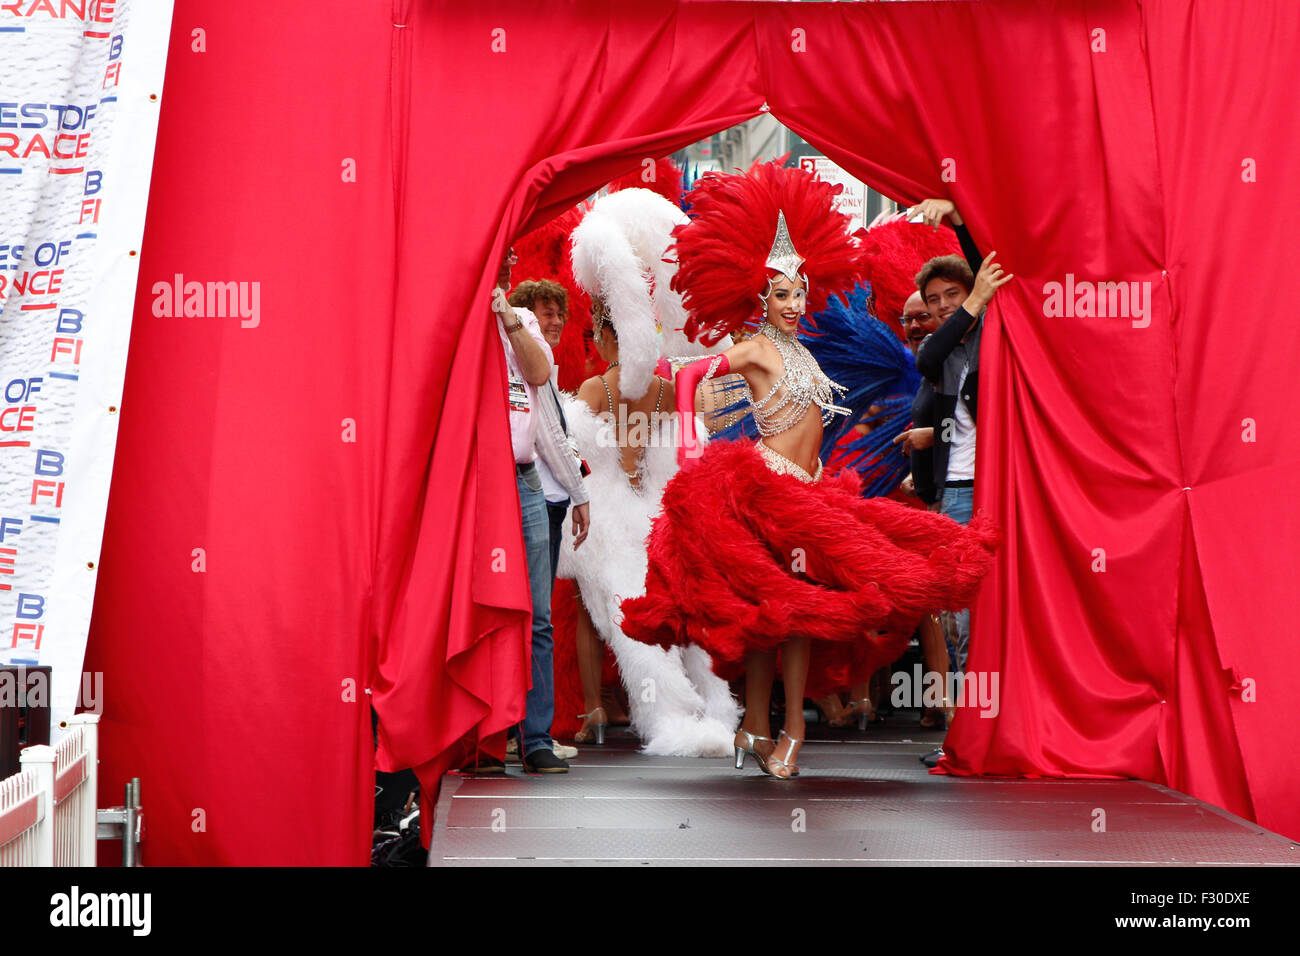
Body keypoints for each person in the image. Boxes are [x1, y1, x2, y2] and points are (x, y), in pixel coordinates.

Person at [618, 162, 998, 778]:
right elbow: (687, 374)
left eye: (800, 292)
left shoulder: (801, 349)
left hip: (810, 490)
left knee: (788, 613)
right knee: (787, 614)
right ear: (760, 297)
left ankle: (761, 726)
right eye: (782, 294)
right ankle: (783, 727)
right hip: (768, 491)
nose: (795, 304)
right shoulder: (757, 348)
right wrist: (690, 444)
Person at [557, 187, 739, 756]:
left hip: (607, 511)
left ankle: (594, 708)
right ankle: (705, 703)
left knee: (597, 611)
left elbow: (572, 456)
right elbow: (693, 443)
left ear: (608, 334)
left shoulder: (592, 388)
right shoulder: (665, 390)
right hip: (655, 508)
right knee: (668, 608)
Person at [492, 249, 591, 774]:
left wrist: (509, 317)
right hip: (477, 483)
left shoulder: (520, 319)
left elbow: (537, 371)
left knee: (539, 615)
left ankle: (535, 740)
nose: (506, 261)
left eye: (511, 253)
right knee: (485, 612)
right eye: (498, 252)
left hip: (525, 479)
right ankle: (485, 741)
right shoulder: (459, 312)